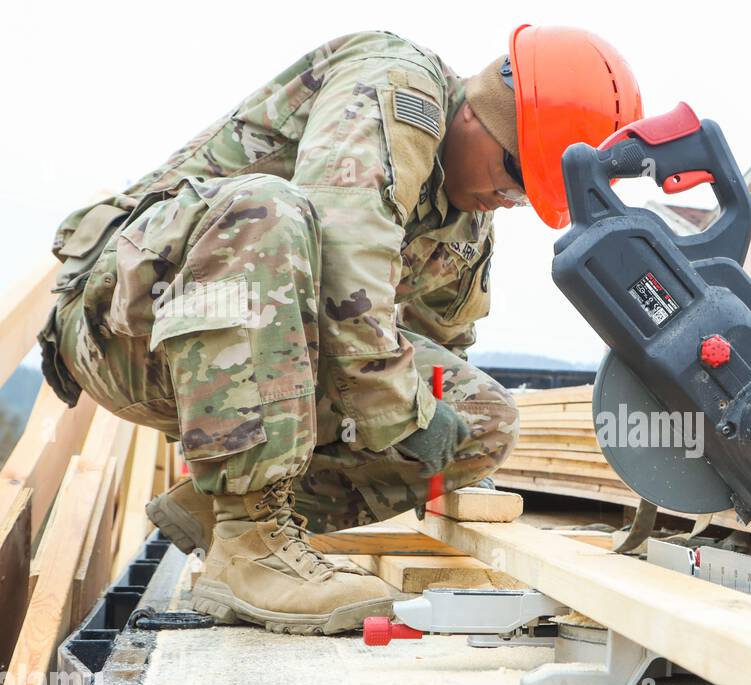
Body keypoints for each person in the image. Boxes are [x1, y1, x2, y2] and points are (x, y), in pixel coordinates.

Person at [39, 25, 642, 633]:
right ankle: (250, 541)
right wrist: (402, 410)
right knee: (269, 211)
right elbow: (346, 251)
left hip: (252, 363)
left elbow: (441, 354)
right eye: (513, 171)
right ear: (483, 110)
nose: (506, 197)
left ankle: (220, 509)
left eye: (525, 195)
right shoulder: (397, 84)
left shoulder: (467, 227)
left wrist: (435, 428)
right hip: (126, 323)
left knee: (483, 419)